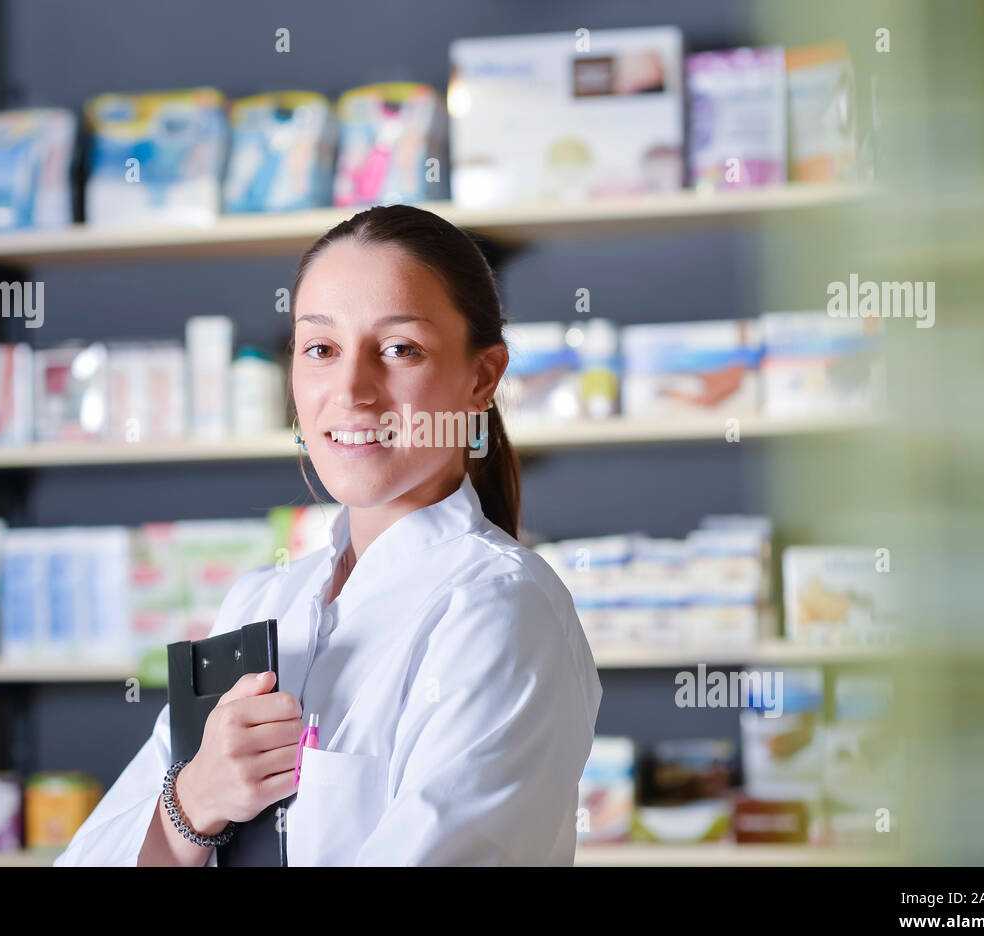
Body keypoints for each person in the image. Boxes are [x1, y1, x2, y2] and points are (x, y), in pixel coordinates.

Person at [55, 204, 602, 866]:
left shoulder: (500, 610)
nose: (351, 391)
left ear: (482, 377)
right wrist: (194, 802)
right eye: (321, 348)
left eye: (399, 349)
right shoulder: (262, 603)